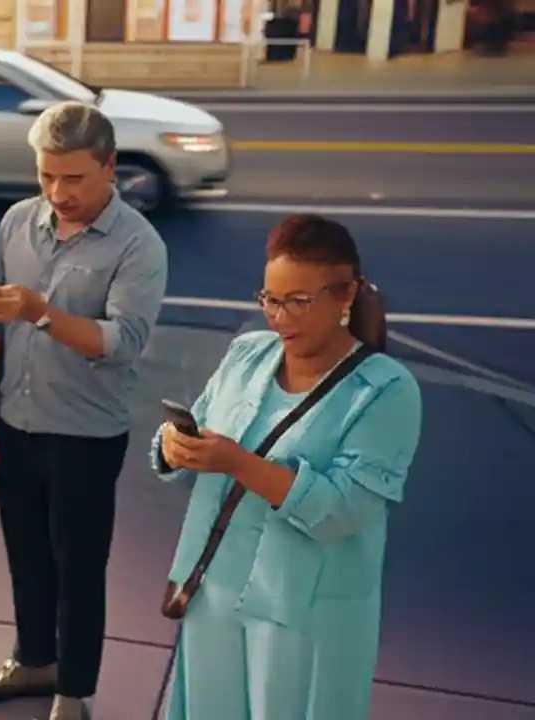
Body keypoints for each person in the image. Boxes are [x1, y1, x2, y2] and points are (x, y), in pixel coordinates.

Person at [152, 214, 423, 719]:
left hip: (305, 614)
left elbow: (344, 509)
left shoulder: (386, 389)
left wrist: (237, 462)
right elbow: (205, 427)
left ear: (347, 295)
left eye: (298, 301)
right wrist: (172, 447)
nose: (279, 317)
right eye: (270, 300)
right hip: (213, 590)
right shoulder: (246, 354)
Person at [0, 101, 169, 720]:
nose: (57, 192)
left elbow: (123, 342)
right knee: (24, 551)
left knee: (78, 568)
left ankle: (74, 693)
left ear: (109, 168)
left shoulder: (139, 246)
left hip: (84, 433)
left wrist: (37, 311)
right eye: (46, 176)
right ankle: (32, 661)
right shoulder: (19, 221)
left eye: (73, 178)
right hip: (13, 422)